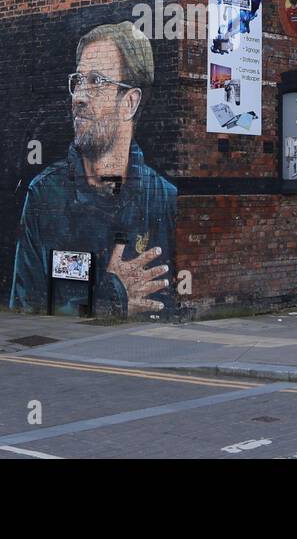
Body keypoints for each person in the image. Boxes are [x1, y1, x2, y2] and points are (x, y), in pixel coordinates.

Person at [9, 21, 176, 317]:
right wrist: (111, 300)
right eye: (78, 81)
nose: (79, 96)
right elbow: (25, 308)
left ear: (130, 102)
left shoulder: (163, 199)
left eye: (96, 81)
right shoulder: (45, 195)